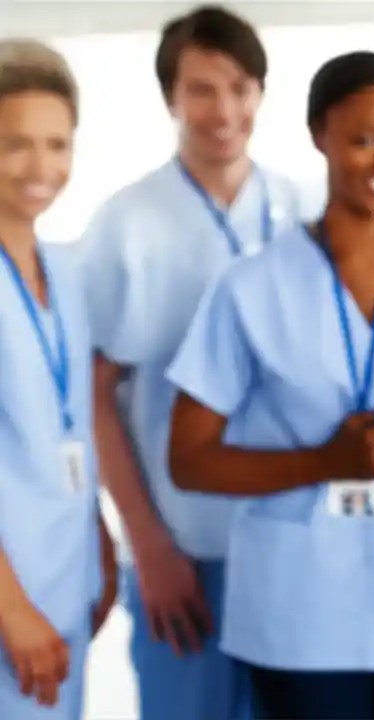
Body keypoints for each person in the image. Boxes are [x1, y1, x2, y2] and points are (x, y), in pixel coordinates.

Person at [165, 50, 374, 720]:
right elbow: (189, 458)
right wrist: (324, 462)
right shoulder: (251, 288)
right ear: (320, 135)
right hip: (298, 619)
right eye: (364, 138)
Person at [77, 6, 303, 719]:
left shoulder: (309, 210)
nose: (224, 109)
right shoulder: (125, 225)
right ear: (171, 98)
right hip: (185, 555)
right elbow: (94, 392)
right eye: (202, 89)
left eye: (240, 87)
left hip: (299, 554)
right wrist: (147, 547)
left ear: (262, 92)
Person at [0, 39, 118, 720]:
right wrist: (12, 610)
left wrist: (98, 540)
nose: (41, 166)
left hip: (63, 583)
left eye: (57, 143)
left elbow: (68, 426)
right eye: (16, 143)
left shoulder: (67, 275)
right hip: (13, 603)